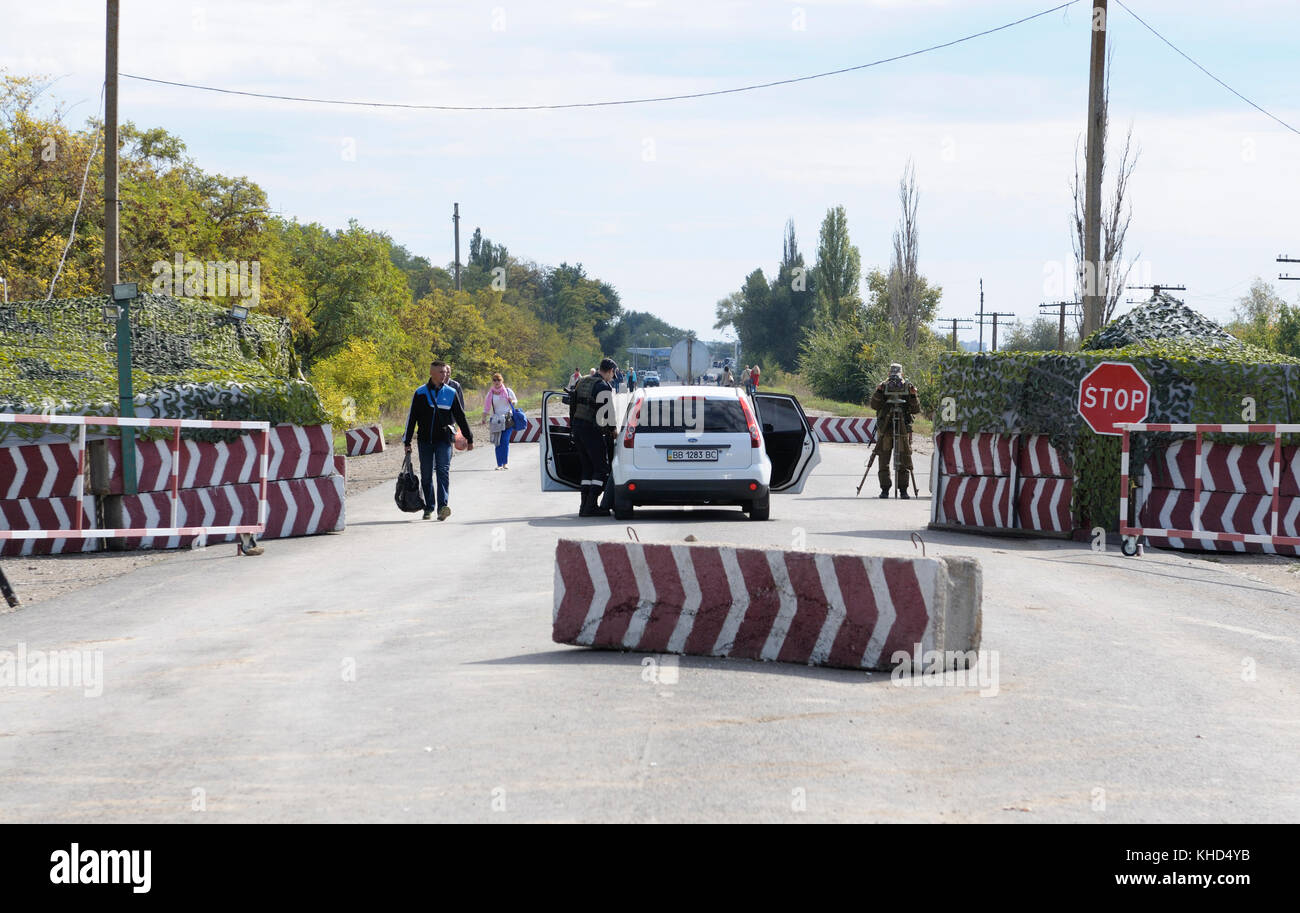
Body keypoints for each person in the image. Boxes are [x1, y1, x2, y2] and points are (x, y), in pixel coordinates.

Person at [403, 361, 474, 520]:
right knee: (426, 475)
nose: (445, 374)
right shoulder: (420, 393)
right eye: (441, 372)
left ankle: (442, 507)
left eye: (445, 372)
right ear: (432, 373)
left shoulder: (450, 392)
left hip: (444, 440)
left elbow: (461, 417)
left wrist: (469, 438)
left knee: (443, 471)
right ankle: (429, 507)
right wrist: (407, 441)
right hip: (424, 441)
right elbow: (412, 418)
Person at [569, 357, 618, 517]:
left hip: (577, 428)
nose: (612, 378)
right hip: (591, 430)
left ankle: (584, 506)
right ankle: (591, 506)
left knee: (587, 468)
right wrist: (612, 429)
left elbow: (573, 405)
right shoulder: (603, 386)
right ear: (610, 371)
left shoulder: (582, 381)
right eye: (613, 374)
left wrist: (573, 428)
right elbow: (607, 411)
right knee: (601, 468)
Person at [869, 362, 921, 499]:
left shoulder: (907, 387)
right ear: (888, 374)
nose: (895, 382)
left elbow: (916, 410)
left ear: (902, 375)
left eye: (897, 377)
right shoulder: (883, 386)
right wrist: (879, 391)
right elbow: (874, 405)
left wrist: (913, 395)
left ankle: (903, 490)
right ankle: (885, 489)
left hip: (902, 427)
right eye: (893, 377)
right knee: (883, 459)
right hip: (886, 429)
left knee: (904, 459)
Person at [483, 372, 518, 470]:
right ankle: (499, 464)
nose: (496, 382)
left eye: (498, 380)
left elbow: (515, 401)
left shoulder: (507, 391)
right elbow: (486, 407)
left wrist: (512, 401)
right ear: (492, 382)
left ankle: (505, 463)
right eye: (494, 380)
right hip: (496, 421)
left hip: (507, 419)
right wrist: (483, 418)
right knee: (497, 442)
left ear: (502, 381)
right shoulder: (490, 393)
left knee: (505, 441)